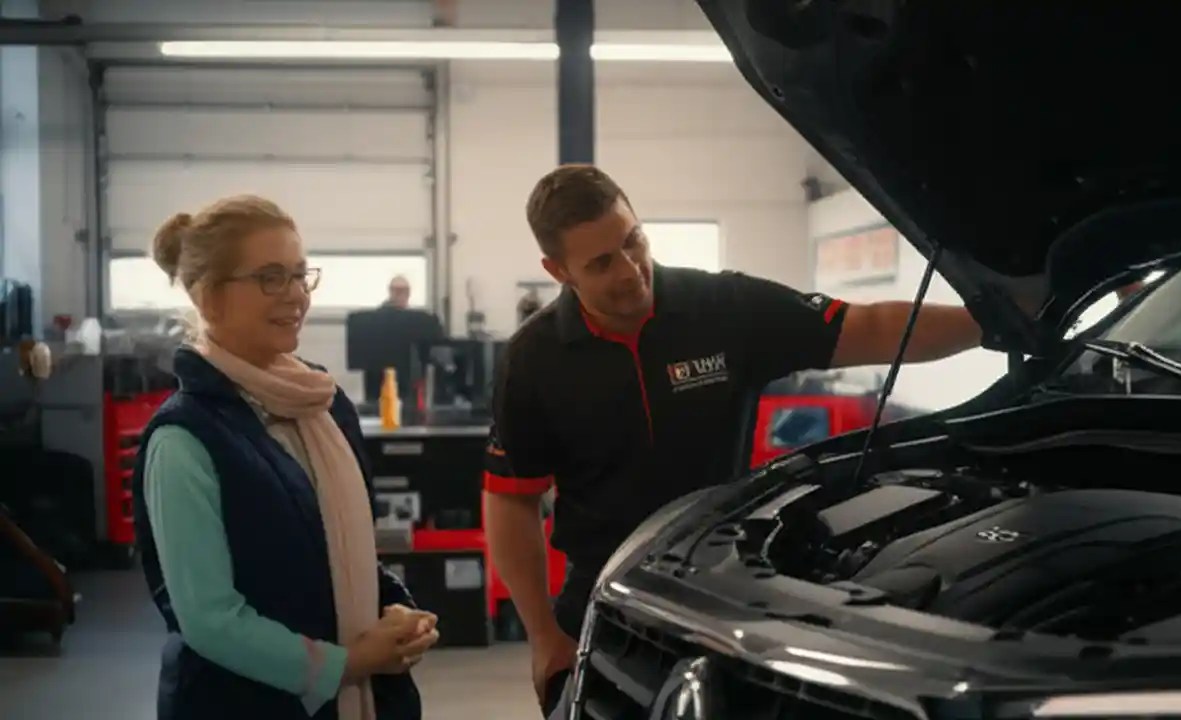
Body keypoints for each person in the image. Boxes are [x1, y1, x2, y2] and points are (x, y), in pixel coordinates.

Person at [482, 165, 989, 718]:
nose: (630, 269)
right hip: (604, 602)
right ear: (558, 271)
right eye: (601, 263)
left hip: (724, 591)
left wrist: (992, 323)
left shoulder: (722, 307)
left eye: (633, 241)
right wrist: (543, 636)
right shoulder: (533, 361)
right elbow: (511, 500)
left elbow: (868, 327)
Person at [132, 194, 439, 720]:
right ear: (209, 297)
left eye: (300, 275)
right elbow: (209, 619)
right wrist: (346, 664)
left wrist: (399, 611)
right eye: (271, 278)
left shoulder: (322, 403)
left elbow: (342, 551)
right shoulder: (185, 439)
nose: (296, 294)